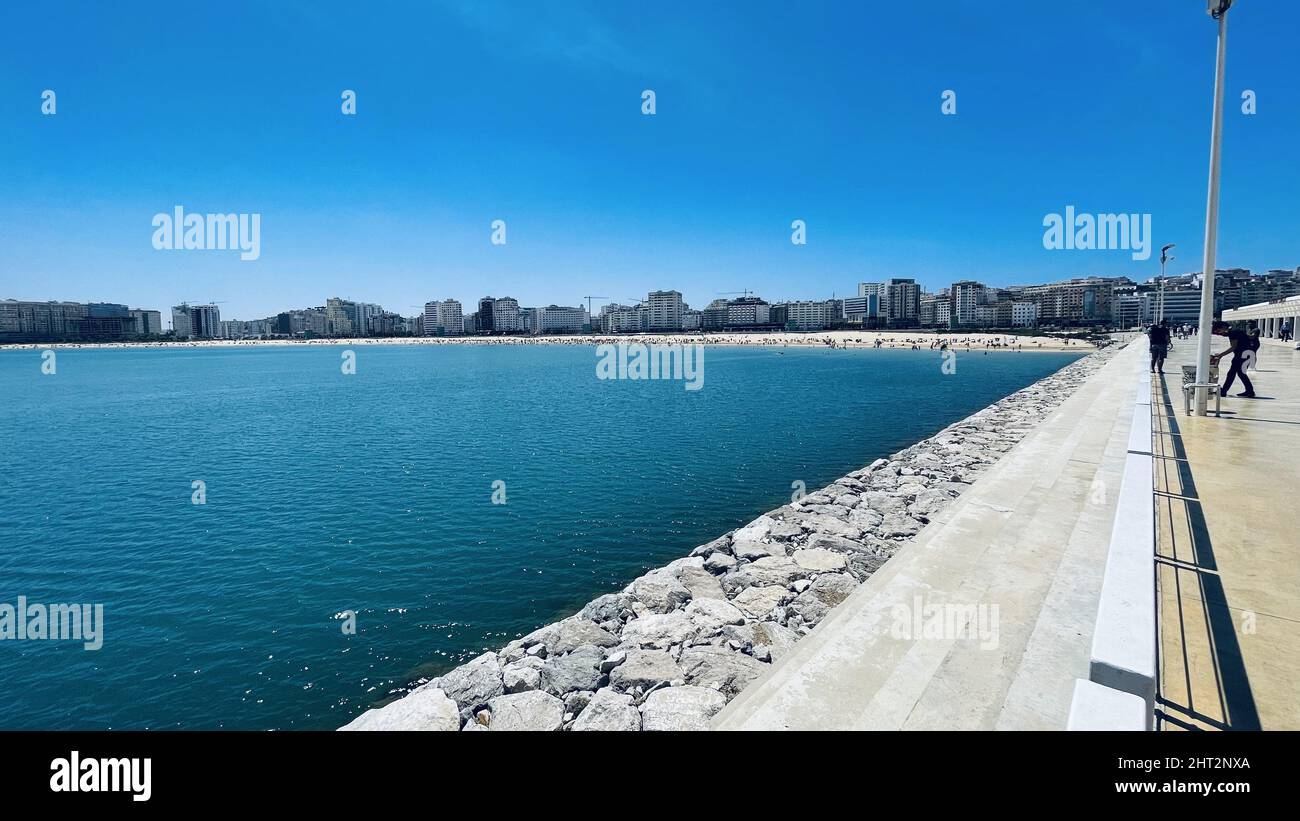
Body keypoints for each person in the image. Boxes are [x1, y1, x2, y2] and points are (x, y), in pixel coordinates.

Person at [1211, 320, 1256, 398]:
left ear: (1223, 327)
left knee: (1232, 373)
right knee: (1241, 373)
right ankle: (1250, 391)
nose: (1219, 333)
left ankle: (1224, 391)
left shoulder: (1233, 333)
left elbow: (1233, 347)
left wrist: (1221, 355)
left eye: (1219, 330)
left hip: (1242, 355)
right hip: (1247, 354)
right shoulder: (1234, 330)